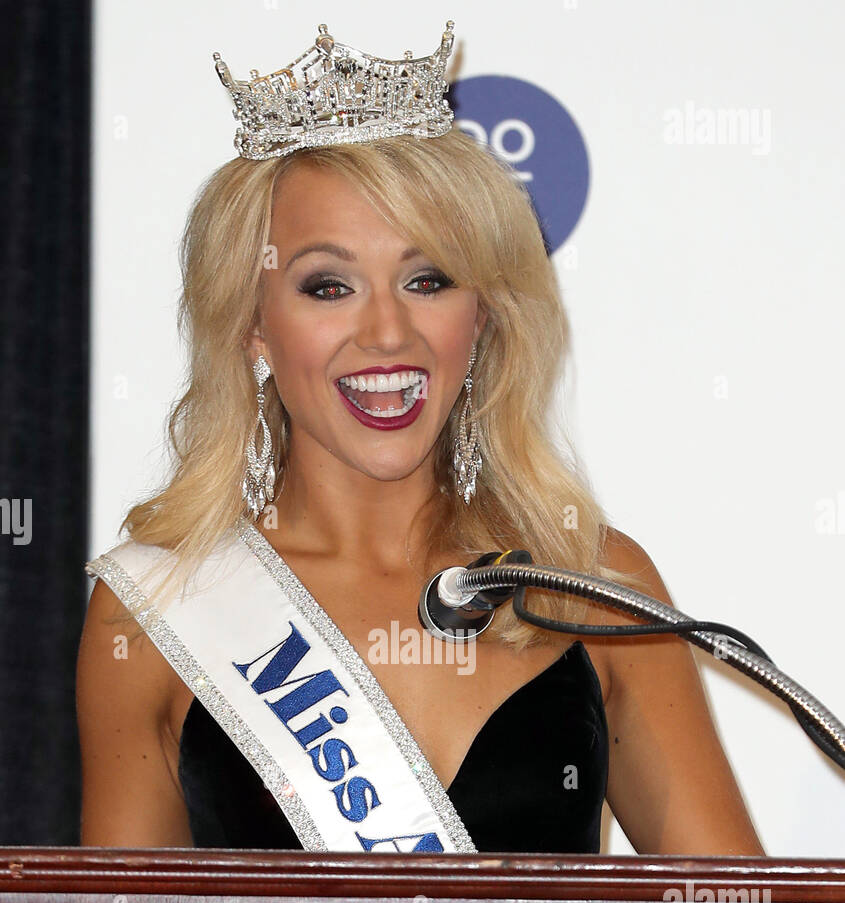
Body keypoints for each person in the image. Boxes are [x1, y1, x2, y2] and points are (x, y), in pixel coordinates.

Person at [76, 23, 764, 856]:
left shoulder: (593, 587)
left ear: (479, 319)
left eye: (426, 279)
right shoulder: (160, 610)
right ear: (253, 328)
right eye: (327, 285)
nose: (386, 333)